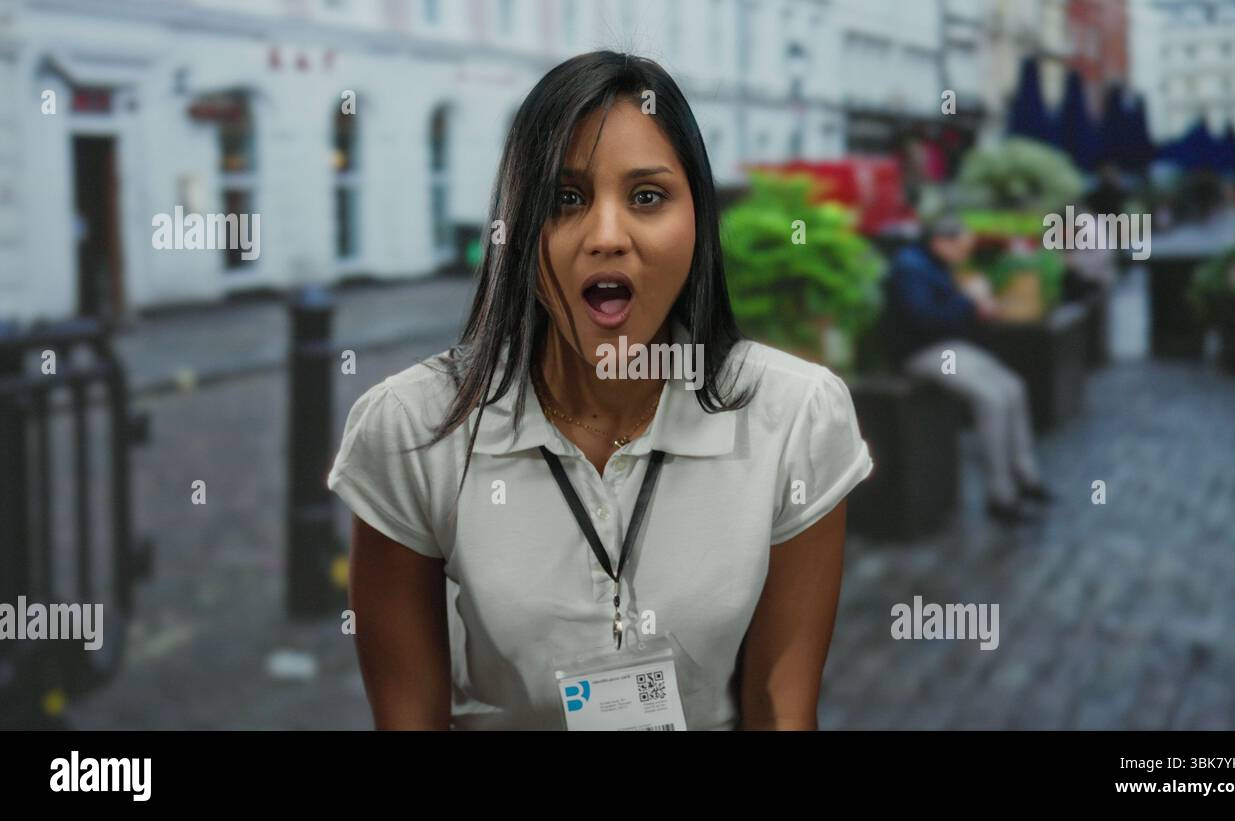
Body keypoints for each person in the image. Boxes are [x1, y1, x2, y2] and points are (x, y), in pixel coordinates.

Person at [327, 51, 874, 730]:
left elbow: (780, 708)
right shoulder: (412, 427)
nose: (607, 236)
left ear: (698, 220)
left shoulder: (794, 415)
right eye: (565, 199)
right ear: (518, 228)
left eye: (647, 196)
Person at [880, 212, 1054, 525]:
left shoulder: (928, 264)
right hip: (923, 353)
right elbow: (925, 318)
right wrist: (971, 304)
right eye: (961, 246)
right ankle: (1001, 494)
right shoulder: (911, 270)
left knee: (1013, 387)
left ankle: (1026, 476)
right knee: (992, 398)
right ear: (940, 242)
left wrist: (973, 306)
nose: (966, 253)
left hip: (946, 348)